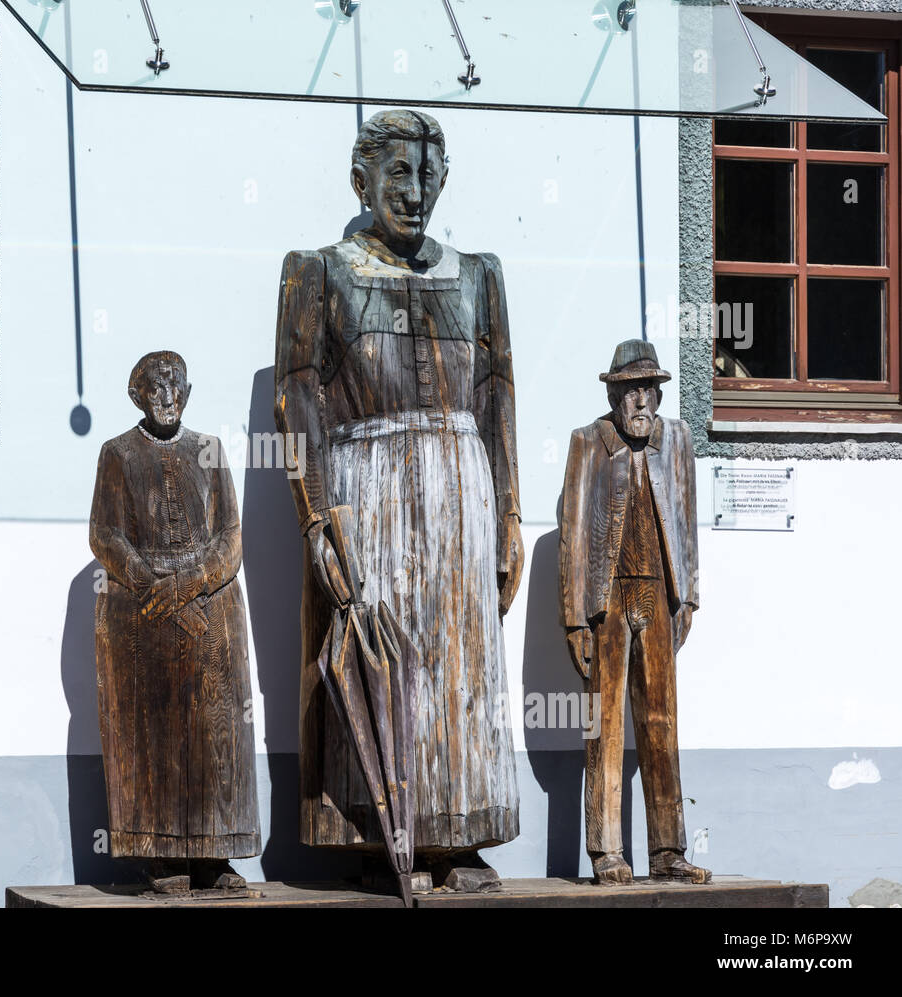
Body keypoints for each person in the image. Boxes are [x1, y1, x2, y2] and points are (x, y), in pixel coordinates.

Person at [274, 110, 523, 891]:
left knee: (461, 663)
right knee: (387, 655)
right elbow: (297, 397)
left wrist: (511, 514)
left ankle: (458, 834)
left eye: (426, 176)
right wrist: (317, 513)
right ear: (362, 181)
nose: (413, 193)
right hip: (368, 492)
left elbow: (497, 396)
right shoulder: (319, 271)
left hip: (462, 493)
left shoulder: (480, 274)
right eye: (397, 175)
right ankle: (383, 834)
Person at [89, 351, 260, 893]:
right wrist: (147, 581)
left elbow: (231, 534)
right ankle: (162, 856)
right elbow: (104, 533)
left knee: (216, 732)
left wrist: (194, 580)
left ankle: (217, 855)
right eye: (154, 387)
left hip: (209, 607)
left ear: (188, 392)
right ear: (137, 395)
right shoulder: (117, 454)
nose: (166, 396)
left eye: (174, 387)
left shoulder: (209, 451)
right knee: (154, 732)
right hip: (145, 615)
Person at [558, 339, 710, 885]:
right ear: (613, 393)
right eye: (632, 391)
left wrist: (688, 594)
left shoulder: (678, 441)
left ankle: (668, 849)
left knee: (661, 721)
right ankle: (605, 850)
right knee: (605, 723)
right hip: (608, 600)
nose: (642, 402)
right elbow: (573, 534)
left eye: (650, 389)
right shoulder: (587, 443)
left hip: (658, 596)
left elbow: (688, 520)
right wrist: (575, 616)